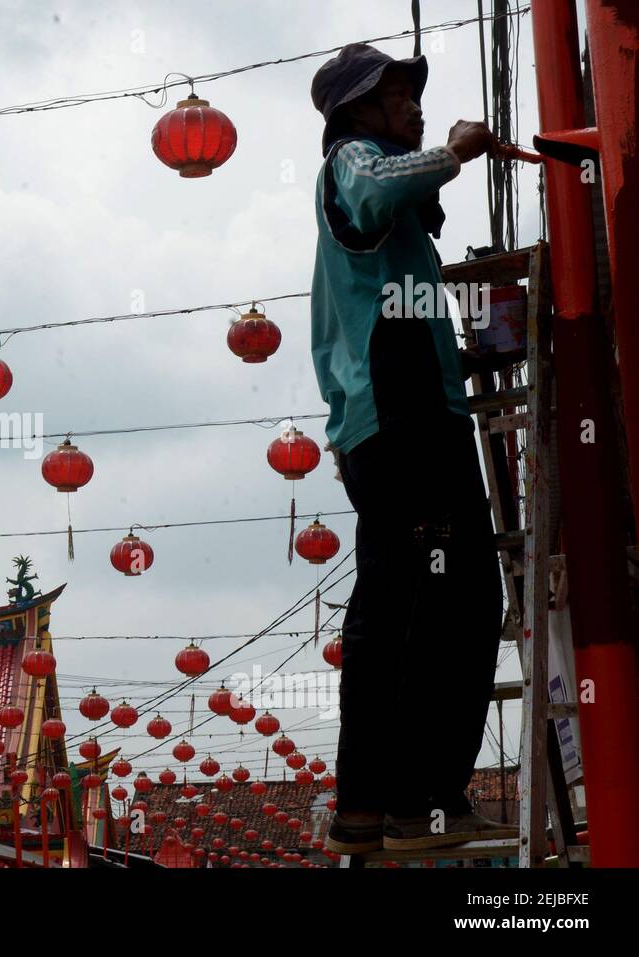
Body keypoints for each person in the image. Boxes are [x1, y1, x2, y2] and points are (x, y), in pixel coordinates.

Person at [309, 44, 515, 853]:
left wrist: (469, 357)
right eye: (397, 93)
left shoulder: (406, 244)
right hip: (402, 427)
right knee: (435, 605)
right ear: (356, 112)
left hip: (411, 418)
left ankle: (396, 802)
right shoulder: (352, 163)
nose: (414, 105)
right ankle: (406, 800)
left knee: (429, 603)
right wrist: (454, 153)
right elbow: (368, 188)